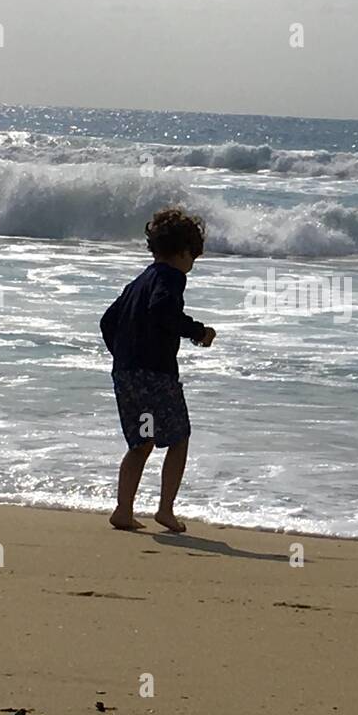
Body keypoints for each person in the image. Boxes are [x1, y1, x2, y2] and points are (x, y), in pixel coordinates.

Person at [100, 207, 216, 532]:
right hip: (156, 376)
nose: (191, 266)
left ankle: (123, 510)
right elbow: (163, 310)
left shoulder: (140, 280)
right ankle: (165, 510)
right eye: (192, 257)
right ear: (182, 251)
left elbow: (108, 321)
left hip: (127, 375)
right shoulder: (170, 277)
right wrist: (197, 332)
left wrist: (125, 357)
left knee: (142, 442)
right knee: (179, 438)